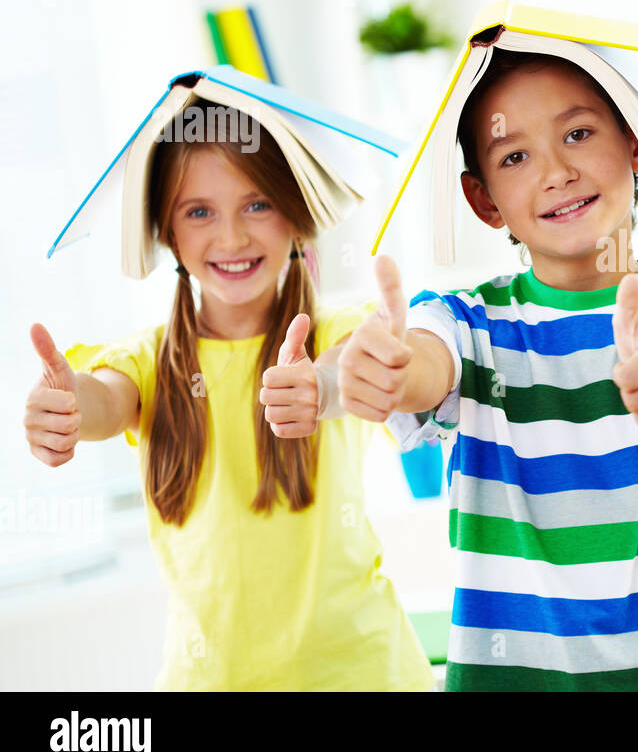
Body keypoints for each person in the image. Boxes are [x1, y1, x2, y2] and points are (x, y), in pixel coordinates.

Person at [325, 50, 638, 690]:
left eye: (577, 133)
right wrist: (390, 370)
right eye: (515, 156)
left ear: (634, 142)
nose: (557, 171)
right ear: (483, 198)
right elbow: (426, 362)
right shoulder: (465, 325)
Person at [24, 103, 433, 690]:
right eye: (199, 212)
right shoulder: (148, 361)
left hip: (365, 675)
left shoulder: (341, 333)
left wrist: (322, 386)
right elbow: (103, 399)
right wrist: (67, 409)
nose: (232, 236)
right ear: (167, 231)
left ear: (295, 216)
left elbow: (352, 366)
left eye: (258, 204)